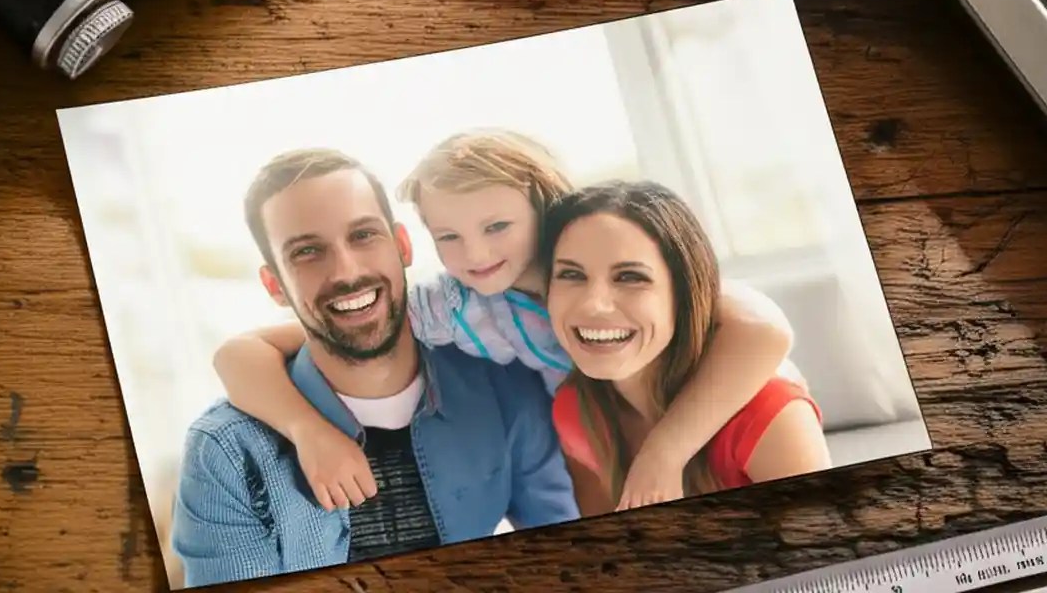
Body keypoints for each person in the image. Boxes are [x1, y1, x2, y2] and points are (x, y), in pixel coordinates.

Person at [211, 128, 798, 514]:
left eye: (496, 228)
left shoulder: (604, 256)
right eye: (449, 237)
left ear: (541, 207)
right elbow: (241, 351)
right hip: (592, 434)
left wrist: (665, 452)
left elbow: (764, 330)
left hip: (700, 408)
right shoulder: (458, 305)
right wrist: (309, 431)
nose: (474, 254)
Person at [169, 148, 578, 587]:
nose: (347, 272)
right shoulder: (226, 453)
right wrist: (307, 430)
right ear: (275, 287)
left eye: (363, 236)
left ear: (401, 245)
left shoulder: (506, 387)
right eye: (307, 251)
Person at [542, 180, 832, 513]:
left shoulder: (770, 415)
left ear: (682, 296)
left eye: (630, 277)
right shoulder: (577, 411)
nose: (593, 305)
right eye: (571, 274)